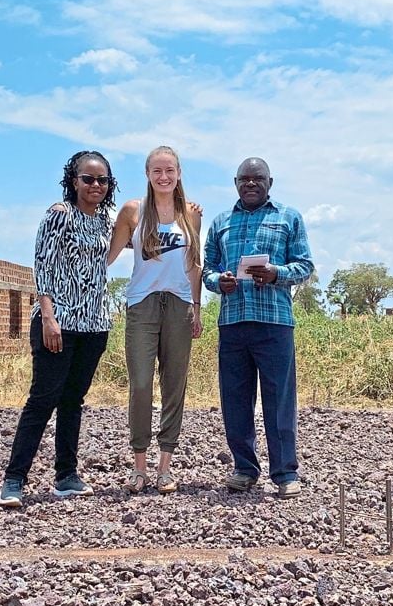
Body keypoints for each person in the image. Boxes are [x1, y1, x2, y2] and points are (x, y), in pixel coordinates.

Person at [0, 150, 118, 506]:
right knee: (42, 400)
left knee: (72, 401)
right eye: (88, 179)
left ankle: (66, 476)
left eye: (102, 180)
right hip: (59, 322)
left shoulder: (104, 221)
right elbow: (43, 266)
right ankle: (14, 479)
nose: (95, 185)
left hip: (95, 323)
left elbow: (136, 236)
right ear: (73, 180)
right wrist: (49, 317)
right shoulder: (58, 216)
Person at [202, 157, 314, 498]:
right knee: (235, 399)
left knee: (279, 400)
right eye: (244, 179)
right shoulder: (221, 222)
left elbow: (305, 265)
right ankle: (244, 468)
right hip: (233, 323)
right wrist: (218, 281)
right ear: (236, 182)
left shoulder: (288, 217)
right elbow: (206, 268)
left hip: (275, 323)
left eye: (258, 179)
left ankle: (284, 473)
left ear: (270, 182)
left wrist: (277, 273)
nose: (251, 184)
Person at [108, 145, 203, 494]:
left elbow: (194, 262)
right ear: (148, 174)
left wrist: (197, 307)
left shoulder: (191, 214)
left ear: (178, 173)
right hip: (142, 303)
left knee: (174, 384)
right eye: (157, 171)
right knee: (141, 384)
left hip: (179, 304)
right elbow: (110, 253)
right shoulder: (134, 210)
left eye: (170, 170)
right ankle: (139, 466)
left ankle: (165, 466)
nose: (164, 177)